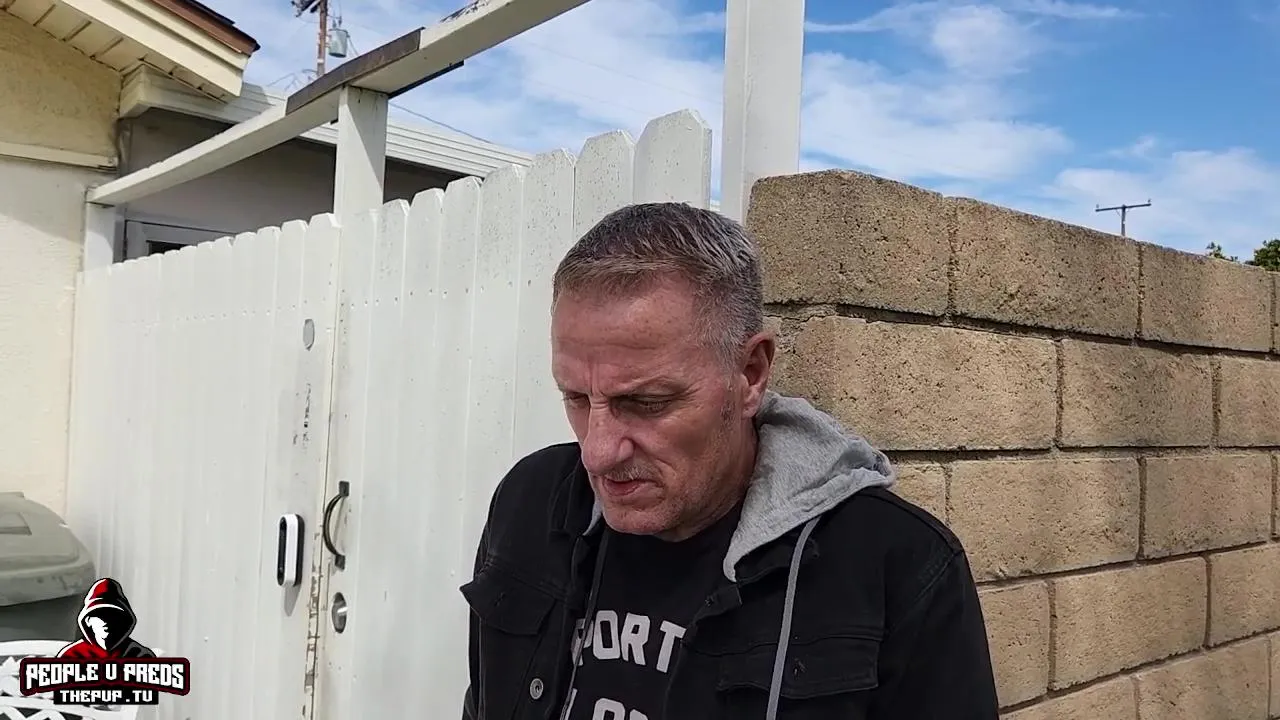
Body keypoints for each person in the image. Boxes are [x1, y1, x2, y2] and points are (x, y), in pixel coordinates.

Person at [460, 202, 999, 719]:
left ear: (750, 374)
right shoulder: (530, 500)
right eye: (577, 398)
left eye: (647, 402)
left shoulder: (897, 567)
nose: (597, 452)